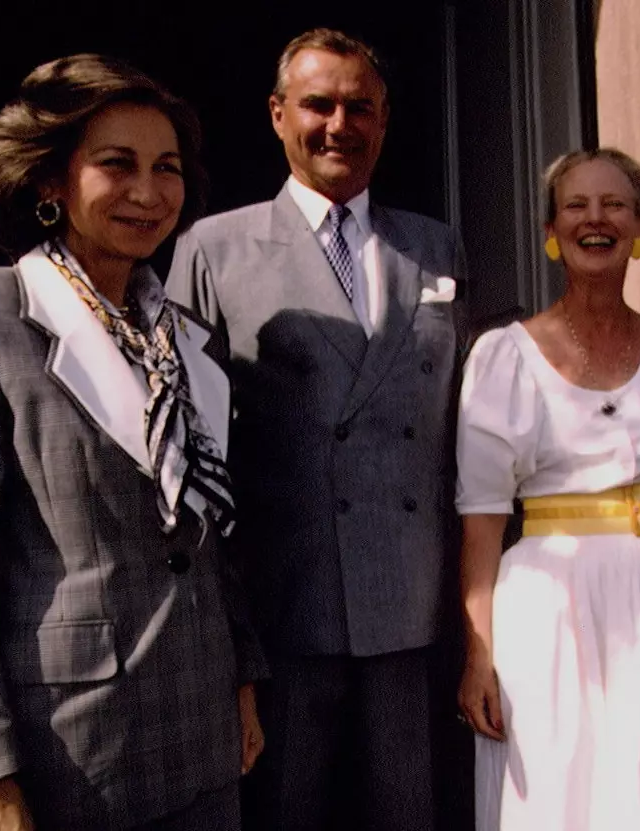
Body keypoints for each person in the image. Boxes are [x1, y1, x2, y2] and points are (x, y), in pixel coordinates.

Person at [0, 54, 266, 831]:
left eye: (167, 168)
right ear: (51, 180)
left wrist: (241, 671)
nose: (148, 193)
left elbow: (208, 536)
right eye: (116, 165)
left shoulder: (190, 341)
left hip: (202, 730)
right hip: (70, 749)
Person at [167, 28, 466, 831]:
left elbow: (487, 415)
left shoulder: (433, 244)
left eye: (359, 108)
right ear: (276, 114)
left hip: (413, 611)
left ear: (384, 119)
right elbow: (181, 446)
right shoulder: (212, 248)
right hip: (283, 612)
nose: (340, 125)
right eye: (318, 105)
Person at [456, 147, 640, 831]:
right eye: (576, 205)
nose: (595, 219)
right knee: (562, 791)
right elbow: (482, 522)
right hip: (552, 611)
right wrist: (477, 655)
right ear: (552, 229)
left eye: (614, 205)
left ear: (639, 228)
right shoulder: (504, 355)